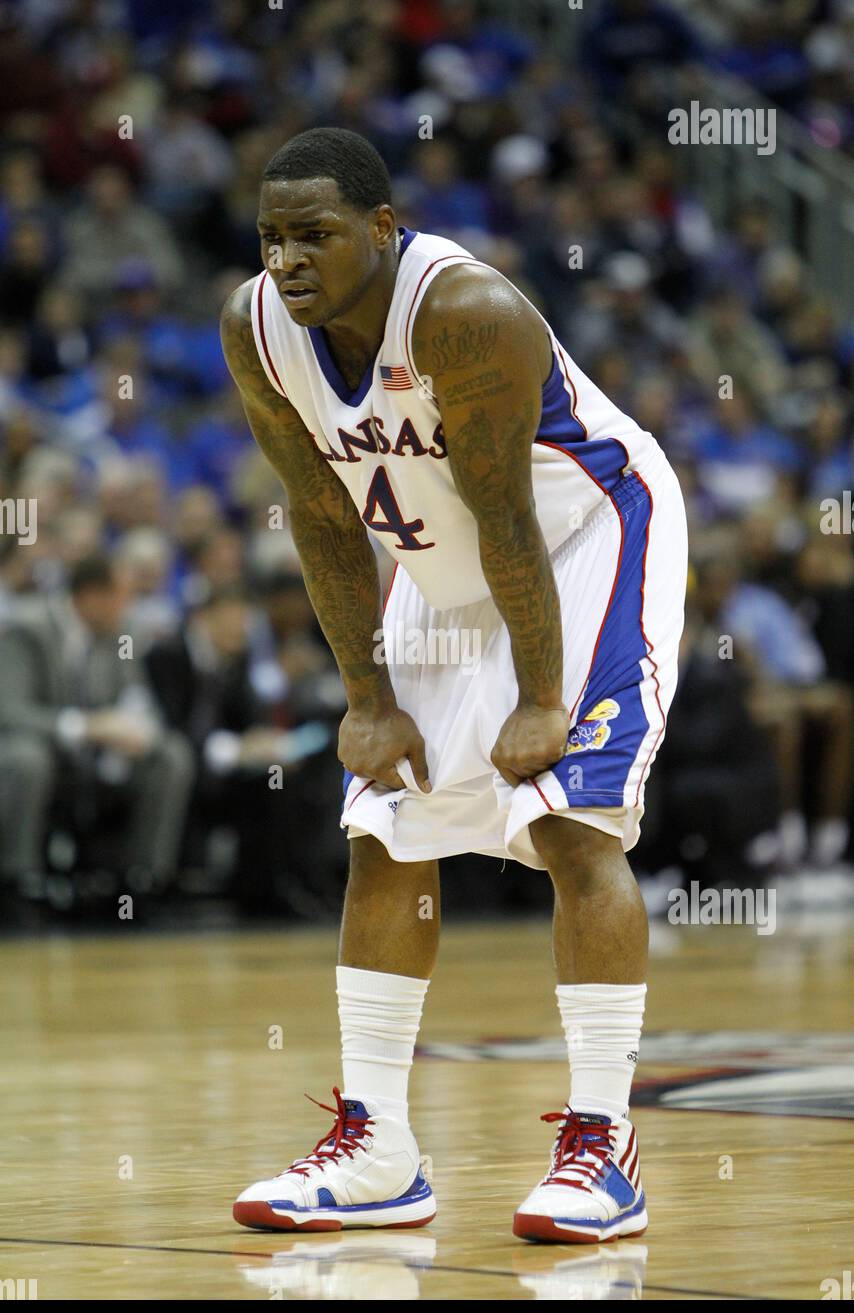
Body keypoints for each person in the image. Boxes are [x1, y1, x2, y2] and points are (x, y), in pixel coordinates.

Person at [221, 127, 688, 1243]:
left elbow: (512, 519)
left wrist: (539, 699)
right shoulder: (255, 329)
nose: (287, 260)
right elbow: (325, 520)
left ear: (383, 230)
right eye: (271, 237)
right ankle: (378, 1146)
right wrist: (367, 698)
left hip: (581, 538)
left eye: (315, 235)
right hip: (438, 562)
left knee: (574, 824)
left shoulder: (462, 311)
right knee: (386, 830)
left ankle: (600, 1144)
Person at [0, 553, 194, 906]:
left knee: (169, 753)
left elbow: (135, 695)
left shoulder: (121, 632)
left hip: (99, 754)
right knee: (28, 759)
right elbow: (10, 710)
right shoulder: (28, 629)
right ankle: (18, 884)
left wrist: (135, 727)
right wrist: (85, 727)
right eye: (122, 596)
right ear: (91, 596)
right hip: (36, 745)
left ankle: (142, 883)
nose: (128, 606)